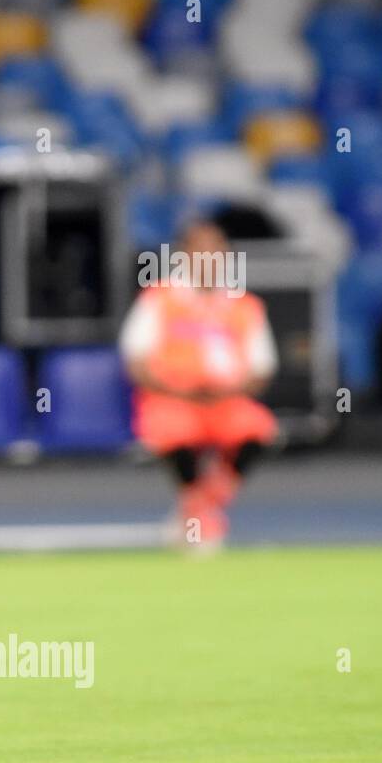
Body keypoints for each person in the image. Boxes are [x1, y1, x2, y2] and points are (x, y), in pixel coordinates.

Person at [120, 218, 279, 550]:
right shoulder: (160, 298)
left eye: (215, 248)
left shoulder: (244, 305)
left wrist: (224, 391)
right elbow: (136, 361)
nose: (207, 255)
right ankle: (201, 515)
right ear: (183, 254)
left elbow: (261, 370)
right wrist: (179, 389)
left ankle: (201, 506)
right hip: (172, 397)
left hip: (225, 400)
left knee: (256, 428)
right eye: (199, 248)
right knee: (172, 430)